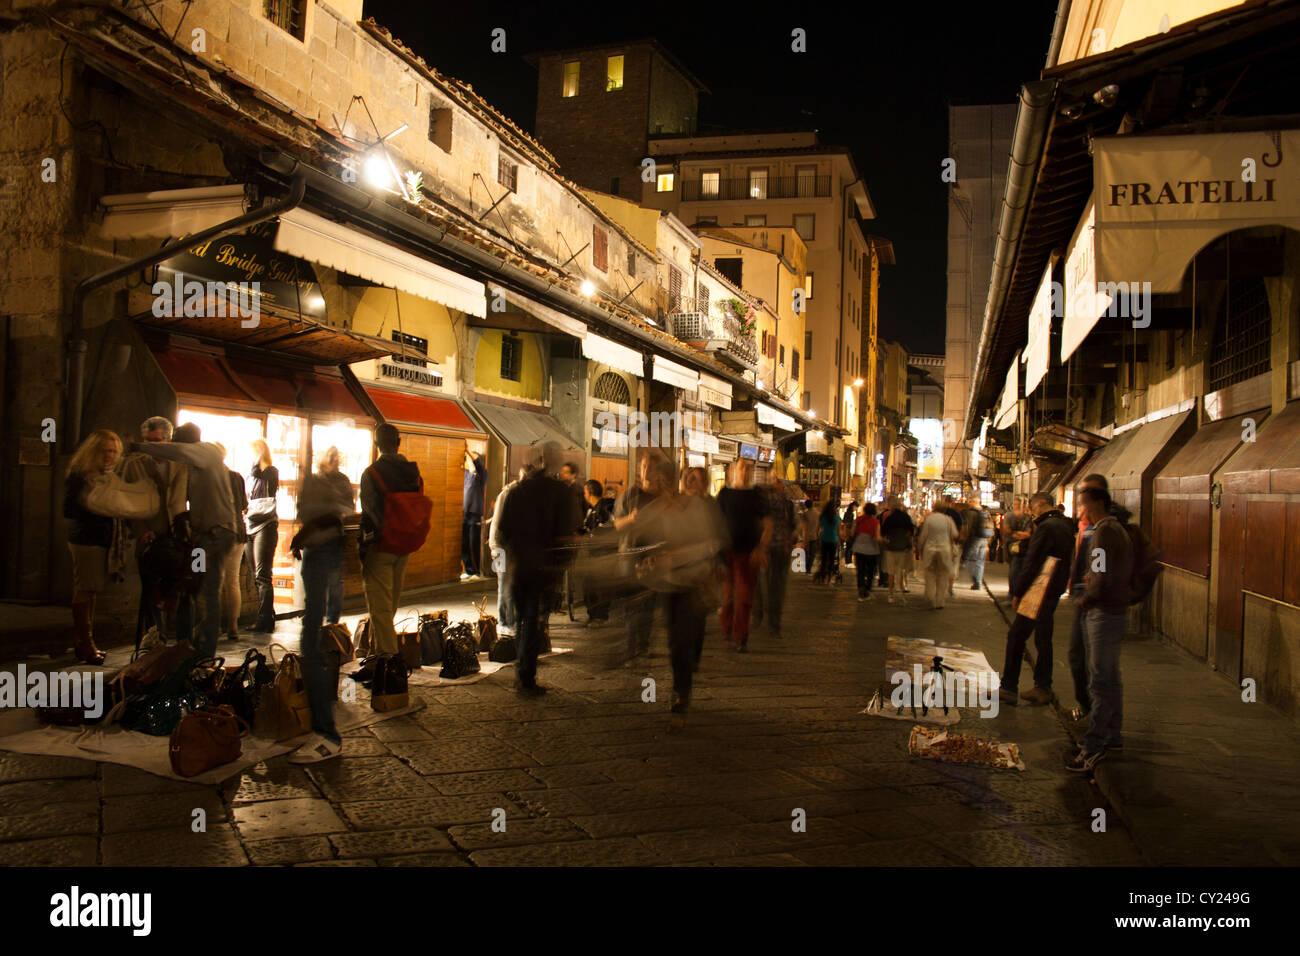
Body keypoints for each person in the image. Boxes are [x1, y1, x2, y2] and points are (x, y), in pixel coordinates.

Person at [626, 457, 726, 731]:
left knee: (687, 639)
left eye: (663, 483)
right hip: (669, 585)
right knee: (676, 641)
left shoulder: (697, 508)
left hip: (694, 582)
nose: (660, 489)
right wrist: (644, 558)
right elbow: (640, 542)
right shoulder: (657, 511)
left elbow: (711, 544)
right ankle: (682, 688)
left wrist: (678, 556)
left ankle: (682, 691)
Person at [135, 422, 237, 658]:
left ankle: (194, 648)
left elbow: (177, 452)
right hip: (220, 534)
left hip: (211, 538)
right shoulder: (210, 460)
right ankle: (198, 647)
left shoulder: (204, 451)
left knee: (194, 587)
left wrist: (140, 447)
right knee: (204, 590)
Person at [287, 446, 355, 764]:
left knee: (310, 643)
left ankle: (326, 735)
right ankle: (324, 731)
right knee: (310, 641)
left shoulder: (324, 484)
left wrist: (306, 534)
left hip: (322, 553)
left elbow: (325, 518)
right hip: (323, 552)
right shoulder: (328, 483)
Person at [497, 443, 581, 696]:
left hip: (519, 566)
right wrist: (562, 564)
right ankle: (526, 676)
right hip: (544, 567)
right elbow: (567, 534)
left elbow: (502, 531)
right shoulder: (560, 493)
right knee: (533, 621)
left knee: (524, 621)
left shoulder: (517, 491)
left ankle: (523, 673)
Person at [1069, 485, 1133, 772]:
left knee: (1100, 680)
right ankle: (1113, 735)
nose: (1082, 511)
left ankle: (1094, 746)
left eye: (1084, 504)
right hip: (1113, 610)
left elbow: (1101, 572)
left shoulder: (1105, 532)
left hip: (1103, 612)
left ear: (1097, 503)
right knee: (1110, 677)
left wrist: (1087, 598)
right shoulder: (1116, 529)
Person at [999, 492, 1075, 707]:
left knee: (1016, 636)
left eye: (1032, 508)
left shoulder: (1047, 527)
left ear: (1040, 505)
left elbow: (1033, 562)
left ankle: (1009, 687)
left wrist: (1019, 592)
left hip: (1039, 590)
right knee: (1043, 638)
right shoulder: (1065, 526)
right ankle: (1042, 687)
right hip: (1053, 589)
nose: (1032, 512)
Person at [359, 424, 422, 661]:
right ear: (399, 442)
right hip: (405, 544)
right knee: (390, 603)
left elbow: (370, 512)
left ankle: (388, 659)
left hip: (381, 547)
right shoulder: (413, 472)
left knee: (380, 606)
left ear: (377, 445)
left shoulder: (371, 473)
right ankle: (378, 655)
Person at [63, 429, 124, 664]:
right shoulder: (81, 475)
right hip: (86, 538)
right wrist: (98, 505)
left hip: (101, 538)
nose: (109, 455)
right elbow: (68, 510)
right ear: (94, 451)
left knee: (91, 590)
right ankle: (85, 643)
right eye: (105, 451)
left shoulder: (107, 475)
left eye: (113, 451)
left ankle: (85, 642)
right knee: (85, 589)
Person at [614, 450, 665, 660]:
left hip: (653, 556)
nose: (647, 471)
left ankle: (643, 645)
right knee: (631, 603)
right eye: (644, 467)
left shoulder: (664, 498)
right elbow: (617, 524)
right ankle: (630, 645)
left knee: (649, 603)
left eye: (651, 468)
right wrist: (631, 519)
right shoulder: (629, 495)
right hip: (630, 554)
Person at [716, 458, 770, 652]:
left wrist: (761, 547)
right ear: (733, 470)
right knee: (728, 597)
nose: (745, 472)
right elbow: (716, 523)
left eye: (749, 468)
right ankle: (727, 632)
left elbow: (767, 524)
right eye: (742, 468)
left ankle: (740, 637)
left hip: (749, 553)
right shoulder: (724, 494)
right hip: (727, 552)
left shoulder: (757, 495)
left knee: (745, 598)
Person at [754, 469, 795, 638]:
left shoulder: (782, 502)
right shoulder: (779, 501)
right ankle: (772, 622)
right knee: (775, 588)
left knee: (771, 587)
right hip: (773, 548)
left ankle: (767, 618)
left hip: (774, 549)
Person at [488, 467, 527, 642]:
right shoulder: (510, 494)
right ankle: (505, 624)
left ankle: (511, 623)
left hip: (507, 546)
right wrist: (495, 547)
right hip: (502, 547)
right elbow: (499, 523)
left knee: (510, 586)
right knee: (505, 586)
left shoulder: (516, 494)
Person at [244, 439, 279, 634]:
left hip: (265, 525)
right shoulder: (249, 474)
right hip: (249, 524)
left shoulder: (270, 471)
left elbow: (263, 476)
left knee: (263, 575)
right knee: (256, 576)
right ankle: (268, 615)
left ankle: (264, 620)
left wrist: (256, 462)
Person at [215, 443, 247, 642]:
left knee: (212, 581)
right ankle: (233, 626)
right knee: (233, 581)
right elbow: (244, 506)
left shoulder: (209, 477)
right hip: (238, 535)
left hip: (214, 536)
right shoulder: (236, 476)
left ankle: (212, 624)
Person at [580, 478, 615, 624]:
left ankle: (600, 616)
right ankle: (593, 615)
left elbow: (606, 530)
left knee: (601, 587)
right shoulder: (591, 510)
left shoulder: (606, 508)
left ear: (589, 492)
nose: (584, 495)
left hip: (604, 554)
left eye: (584, 492)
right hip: (593, 554)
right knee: (589, 586)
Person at [916, 501, 958, 610]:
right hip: (944, 549)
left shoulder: (929, 519)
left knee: (930, 573)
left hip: (930, 549)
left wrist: (919, 547)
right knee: (942, 575)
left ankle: (930, 596)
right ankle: (940, 601)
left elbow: (923, 535)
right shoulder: (948, 520)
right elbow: (955, 534)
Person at [880, 496, 916, 603]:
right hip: (902, 548)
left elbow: (883, 532)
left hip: (891, 548)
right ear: (900, 507)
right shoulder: (906, 517)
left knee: (891, 572)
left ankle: (890, 594)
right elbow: (911, 530)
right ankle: (900, 592)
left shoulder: (889, 518)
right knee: (900, 570)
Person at [461, 443, 487, 580]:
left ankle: (476, 571)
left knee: (474, 542)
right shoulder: (465, 474)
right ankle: (469, 569)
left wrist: (468, 452)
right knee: (464, 542)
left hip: (475, 513)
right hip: (465, 513)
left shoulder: (481, 475)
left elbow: (475, 466)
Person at [851, 502, 884, 602]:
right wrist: (884, 541)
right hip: (871, 550)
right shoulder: (875, 522)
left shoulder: (858, 520)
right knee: (871, 571)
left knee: (860, 571)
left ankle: (861, 590)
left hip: (859, 548)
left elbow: (852, 533)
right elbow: (877, 537)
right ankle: (867, 589)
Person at [1003, 497, 1033, 595]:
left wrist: (1015, 534)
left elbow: (1028, 533)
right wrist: (1019, 534)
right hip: (1012, 545)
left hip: (1020, 546)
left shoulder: (1027, 517)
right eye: (1016, 504)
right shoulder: (1010, 516)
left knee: (1016, 569)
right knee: (1014, 569)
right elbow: (1007, 530)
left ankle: (1015, 592)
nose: (1017, 506)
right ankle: (1013, 592)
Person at [962, 500, 992, 590]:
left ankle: (976, 580)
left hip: (975, 539)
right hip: (984, 539)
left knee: (971, 560)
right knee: (980, 561)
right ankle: (978, 582)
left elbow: (969, 527)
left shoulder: (971, 513)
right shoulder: (986, 513)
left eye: (970, 501)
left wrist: (966, 540)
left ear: (973, 502)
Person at [815, 500, 840, 584]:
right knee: (832, 559)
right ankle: (830, 576)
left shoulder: (822, 517)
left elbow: (818, 529)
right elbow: (839, 532)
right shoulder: (837, 518)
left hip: (824, 539)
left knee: (824, 558)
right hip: (833, 540)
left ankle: (822, 576)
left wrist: (818, 537)